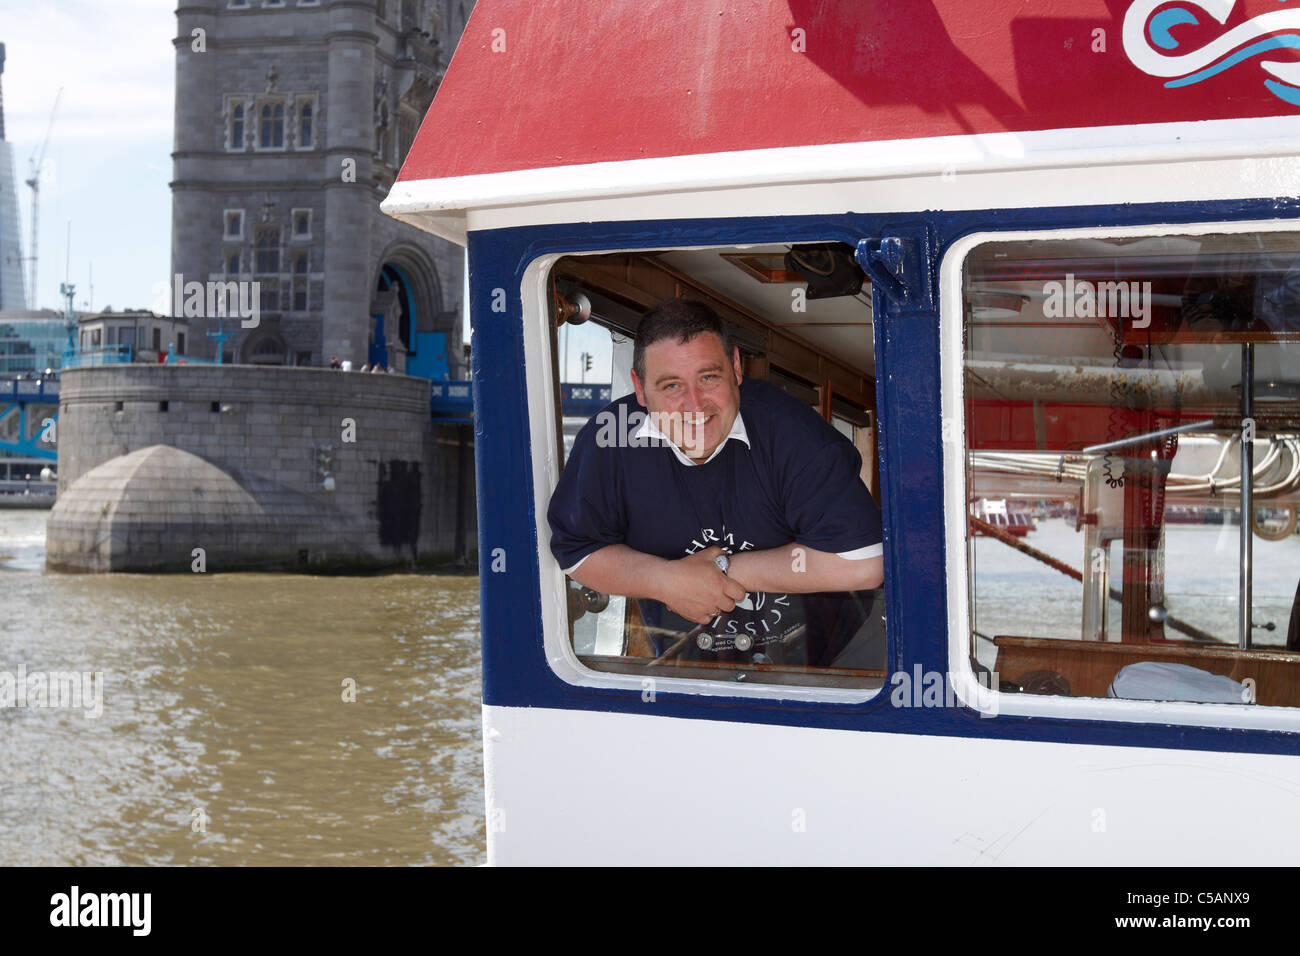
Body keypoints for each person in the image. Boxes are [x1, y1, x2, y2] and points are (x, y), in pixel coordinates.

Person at [547, 298, 883, 667]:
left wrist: (719, 571)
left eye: (708, 378)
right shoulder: (610, 439)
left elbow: (863, 561)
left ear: (736, 368)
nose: (694, 405)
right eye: (671, 385)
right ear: (640, 389)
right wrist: (666, 581)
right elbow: (576, 550)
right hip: (693, 665)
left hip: (839, 664)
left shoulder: (792, 431)